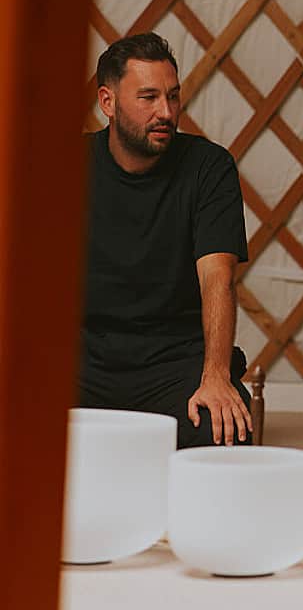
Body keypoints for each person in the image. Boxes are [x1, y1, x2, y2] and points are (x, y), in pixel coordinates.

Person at [80, 33, 253, 448]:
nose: (166, 112)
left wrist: (215, 376)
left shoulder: (208, 167)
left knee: (222, 430)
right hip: (84, 359)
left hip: (174, 359)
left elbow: (218, 278)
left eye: (173, 97)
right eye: (148, 97)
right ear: (108, 102)